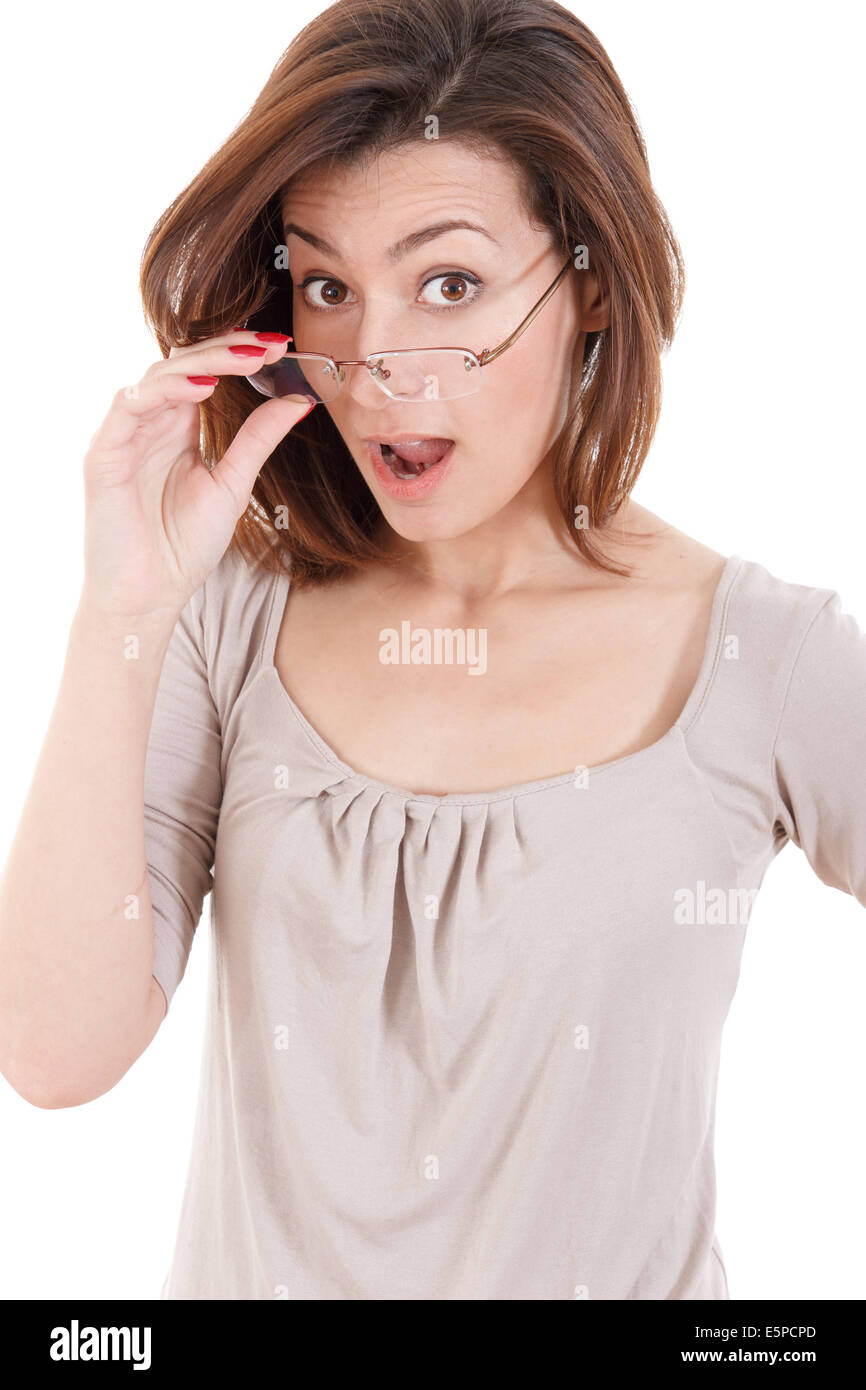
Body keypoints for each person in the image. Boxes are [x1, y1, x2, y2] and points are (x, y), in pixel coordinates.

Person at [0, 0, 863, 1300]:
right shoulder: (231, 612)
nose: (379, 363)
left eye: (447, 282)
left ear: (583, 285)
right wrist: (119, 611)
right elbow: (54, 1053)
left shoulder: (759, 654)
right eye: (328, 286)